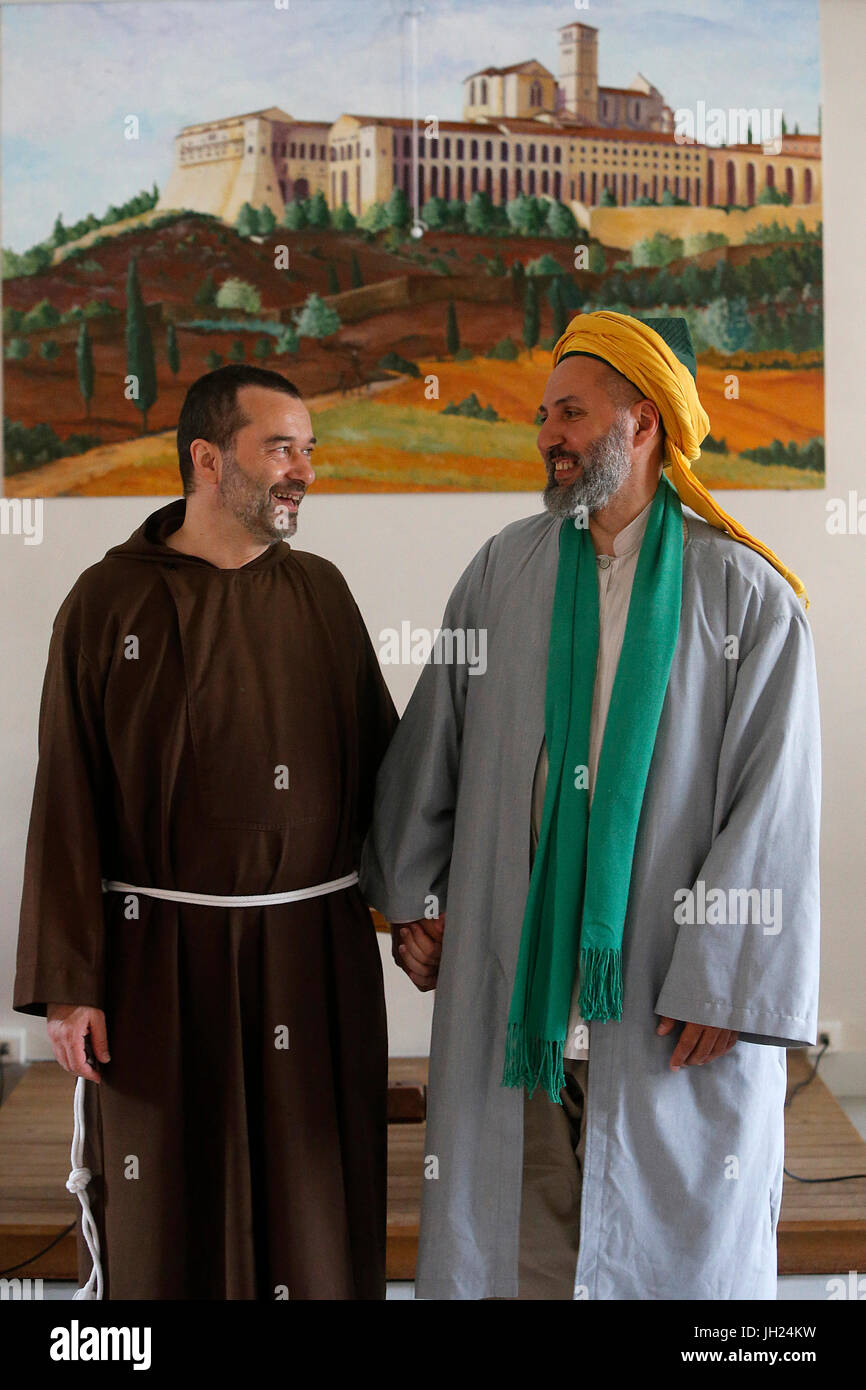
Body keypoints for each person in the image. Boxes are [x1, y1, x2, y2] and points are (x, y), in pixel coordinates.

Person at [360, 312, 821, 1301]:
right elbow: (432, 739)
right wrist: (412, 896)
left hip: (665, 1007)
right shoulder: (502, 569)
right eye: (541, 416)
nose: (545, 436)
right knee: (512, 1259)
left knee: (670, 1264)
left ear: (640, 422)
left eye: (569, 412)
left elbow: (771, 807)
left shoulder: (741, 594)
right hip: (510, 984)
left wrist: (723, 978)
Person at [14, 364, 398, 1300]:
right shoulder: (107, 604)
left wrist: (420, 908)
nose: (303, 469)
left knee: (312, 1211)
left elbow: (389, 772)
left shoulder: (323, 595)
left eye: (310, 449)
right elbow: (68, 794)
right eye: (280, 448)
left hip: (310, 960)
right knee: (165, 1213)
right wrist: (69, 986)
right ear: (206, 457)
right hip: (155, 966)